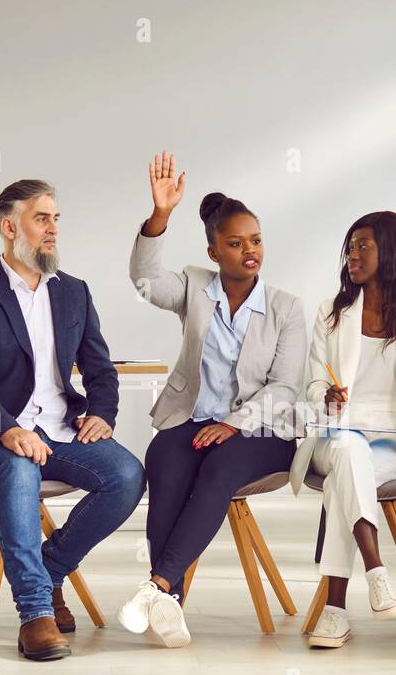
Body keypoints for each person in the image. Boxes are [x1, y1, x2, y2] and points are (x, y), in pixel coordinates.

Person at [0, 179, 146, 661]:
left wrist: (102, 413)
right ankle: (35, 612)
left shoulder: (73, 291)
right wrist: (8, 429)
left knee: (126, 475)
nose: (53, 228)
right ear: (9, 226)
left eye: (56, 218)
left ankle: (50, 569)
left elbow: (100, 368)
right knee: (19, 465)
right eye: (41, 218)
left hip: (60, 429)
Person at [118, 153, 307, 646]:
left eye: (256, 240)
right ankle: (170, 607)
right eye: (236, 243)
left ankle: (158, 586)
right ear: (214, 250)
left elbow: (286, 386)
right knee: (165, 464)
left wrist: (235, 424)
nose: (250, 251)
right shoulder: (194, 286)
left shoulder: (286, 308)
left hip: (262, 430)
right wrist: (159, 217)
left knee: (219, 467)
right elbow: (144, 281)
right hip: (193, 419)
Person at [290, 212, 396, 648]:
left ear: (392, 252)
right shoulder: (331, 312)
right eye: (351, 246)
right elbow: (313, 383)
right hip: (335, 432)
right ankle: (376, 570)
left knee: (347, 477)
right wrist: (326, 396)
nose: (352, 255)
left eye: (364, 245)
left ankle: (336, 611)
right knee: (347, 453)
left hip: (392, 439)